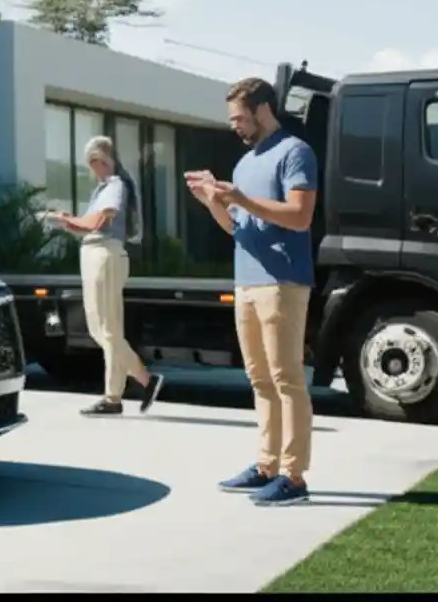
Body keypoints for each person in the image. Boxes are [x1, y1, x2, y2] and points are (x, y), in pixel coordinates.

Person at [184, 76, 318, 507]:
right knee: (259, 379)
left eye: (240, 117)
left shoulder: (295, 152)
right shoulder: (243, 165)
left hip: (283, 282)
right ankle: (266, 467)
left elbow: (300, 217)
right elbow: (237, 230)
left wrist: (241, 198)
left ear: (263, 109)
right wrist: (214, 201)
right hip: (247, 282)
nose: (235, 126)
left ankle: (294, 478)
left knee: (287, 380)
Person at [48, 135, 164, 417]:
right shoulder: (106, 188)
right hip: (98, 253)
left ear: (104, 160)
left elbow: (99, 222)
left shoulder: (114, 186)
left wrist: (66, 220)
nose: (93, 167)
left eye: (94, 161)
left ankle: (132, 387)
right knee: (104, 329)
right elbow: (89, 225)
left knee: (106, 329)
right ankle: (122, 393)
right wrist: (66, 221)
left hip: (103, 254)